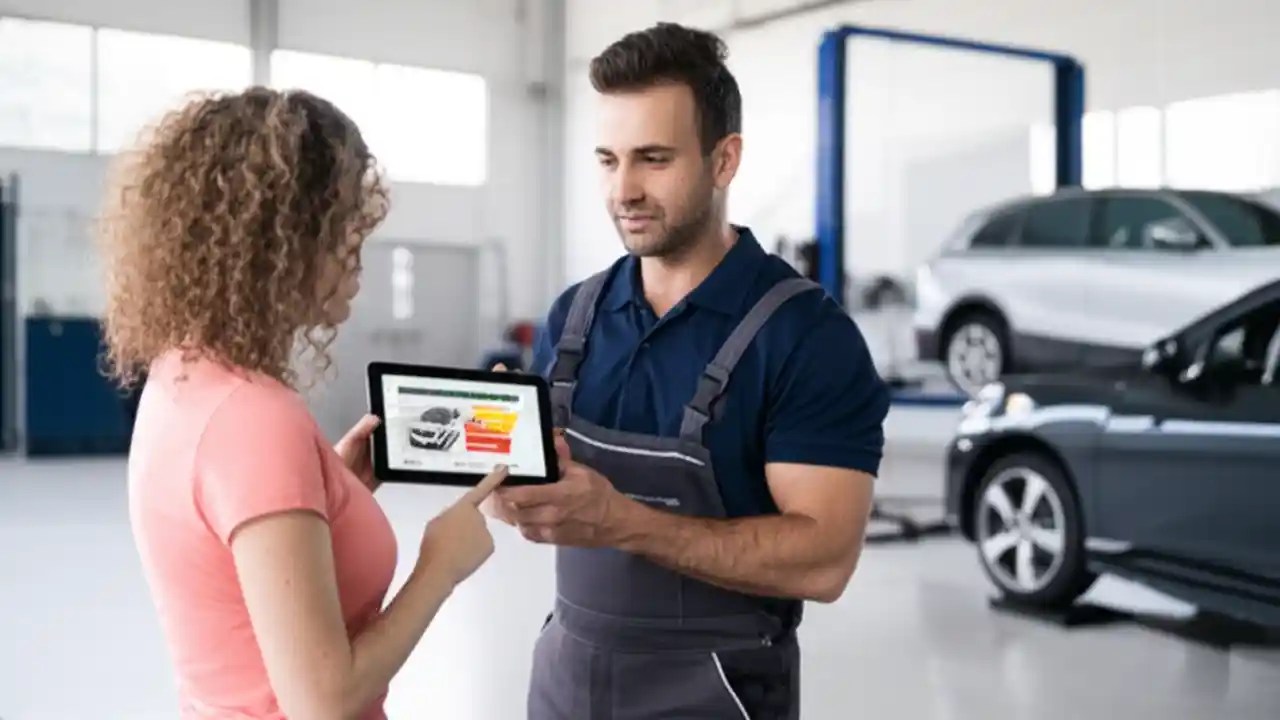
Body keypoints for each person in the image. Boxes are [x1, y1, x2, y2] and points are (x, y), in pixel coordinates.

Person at [486, 22, 890, 720]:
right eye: (608, 160)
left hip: (715, 694)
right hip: (562, 683)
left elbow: (824, 560)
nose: (625, 189)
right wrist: (500, 482)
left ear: (724, 159)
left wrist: (623, 522)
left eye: (653, 158)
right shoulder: (574, 316)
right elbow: (535, 486)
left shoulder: (806, 337)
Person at [99, 87, 507, 720]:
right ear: (282, 242)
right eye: (346, 235)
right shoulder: (254, 419)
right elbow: (324, 700)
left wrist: (327, 497)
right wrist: (439, 567)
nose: (357, 265)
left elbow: (230, 568)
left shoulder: (181, 376)